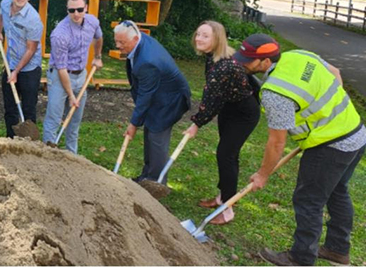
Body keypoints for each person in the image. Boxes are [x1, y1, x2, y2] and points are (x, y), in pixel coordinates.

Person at [232, 34, 366, 266]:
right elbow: (335, 72)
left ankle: (301, 258)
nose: (242, 62)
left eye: (248, 59)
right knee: (337, 192)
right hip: (356, 132)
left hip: (330, 146)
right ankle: (337, 250)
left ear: (265, 62)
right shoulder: (300, 56)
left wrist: (263, 175)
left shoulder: (275, 92)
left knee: (308, 200)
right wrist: (328, 110)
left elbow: (277, 143)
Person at [181, 21, 260, 225]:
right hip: (229, 108)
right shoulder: (216, 59)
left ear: (217, 39)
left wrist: (196, 124)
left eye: (205, 36)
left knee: (226, 155)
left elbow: (210, 101)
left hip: (243, 114)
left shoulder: (223, 66)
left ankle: (227, 209)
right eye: (198, 34)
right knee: (227, 155)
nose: (199, 38)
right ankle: (222, 197)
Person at [114, 20, 190, 183]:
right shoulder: (138, 41)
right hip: (158, 94)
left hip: (169, 101)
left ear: (134, 39)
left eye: (122, 42)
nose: (118, 46)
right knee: (150, 133)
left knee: (156, 138)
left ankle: (156, 184)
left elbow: (145, 96)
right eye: (116, 41)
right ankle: (146, 177)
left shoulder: (147, 61)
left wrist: (133, 124)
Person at [42, 0, 103, 153]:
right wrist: (71, 95)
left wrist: (97, 56)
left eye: (79, 9)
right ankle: (47, 157)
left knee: (74, 121)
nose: (76, 14)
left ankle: (72, 158)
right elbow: (61, 68)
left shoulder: (92, 22)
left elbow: (99, 37)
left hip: (81, 74)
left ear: (86, 8)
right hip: (59, 75)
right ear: (67, 10)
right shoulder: (60, 34)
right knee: (54, 119)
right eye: (71, 10)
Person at [0, 0, 43, 137]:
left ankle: (28, 144)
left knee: (28, 109)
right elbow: (1, 15)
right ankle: (11, 141)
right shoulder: (5, 4)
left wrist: (16, 72)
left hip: (29, 68)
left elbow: (31, 50)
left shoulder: (33, 19)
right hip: (11, 63)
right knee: (10, 108)